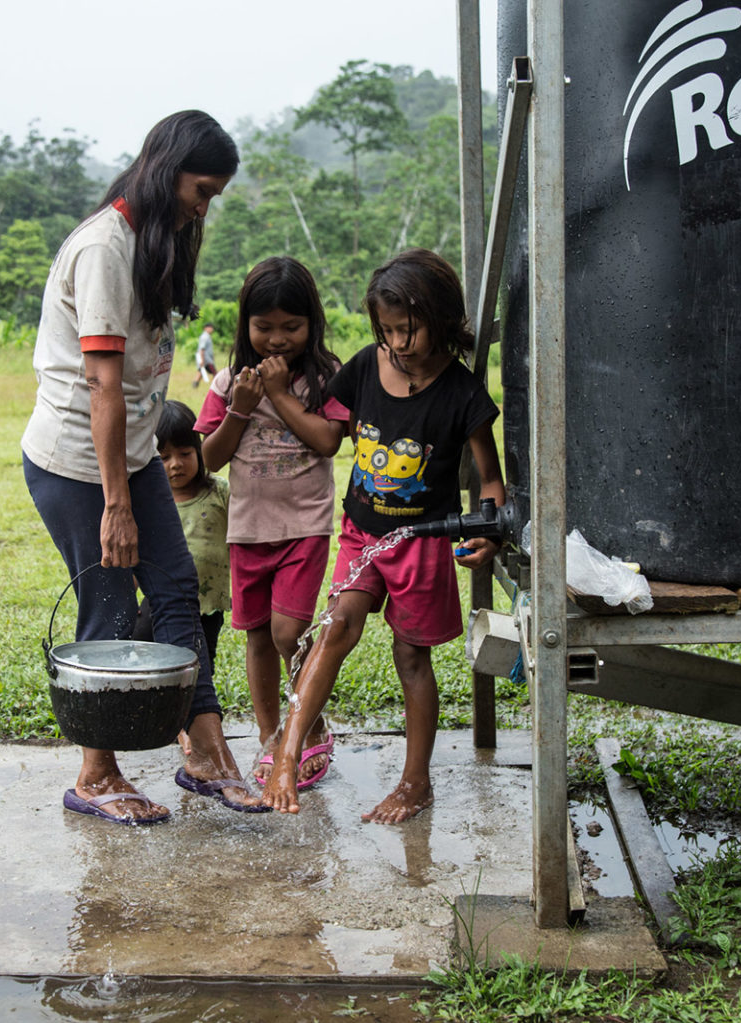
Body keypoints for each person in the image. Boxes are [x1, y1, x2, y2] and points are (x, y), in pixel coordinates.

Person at [21, 110, 266, 824]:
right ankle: (96, 775)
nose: (204, 205)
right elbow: (102, 385)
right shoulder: (104, 248)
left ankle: (207, 754)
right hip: (77, 468)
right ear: (167, 170)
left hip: (130, 459)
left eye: (214, 194)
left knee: (176, 588)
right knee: (108, 606)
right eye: (201, 189)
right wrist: (116, 504)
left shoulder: (150, 242)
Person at [261, 248, 505, 824]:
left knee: (411, 656)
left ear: (442, 318)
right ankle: (286, 757)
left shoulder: (463, 393)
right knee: (337, 627)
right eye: (387, 330)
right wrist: (276, 397)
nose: (398, 343)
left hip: (422, 539)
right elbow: (327, 437)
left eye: (409, 329)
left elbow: (490, 479)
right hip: (361, 531)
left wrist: (490, 531)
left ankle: (415, 781)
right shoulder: (368, 367)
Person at [195, 257, 348, 790]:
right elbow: (209, 459)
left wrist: (279, 395)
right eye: (264, 327)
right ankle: (271, 736)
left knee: (289, 633)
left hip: (305, 524)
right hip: (249, 528)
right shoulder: (227, 382)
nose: (277, 339)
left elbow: (328, 440)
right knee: (257, 637)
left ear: (312, 323)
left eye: (291, 326)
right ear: (245, 325)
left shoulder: (325, 378)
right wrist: (240, 406)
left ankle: (309, 721)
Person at [131, 399, 230, 671]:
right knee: (144, 655)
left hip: (207, 607)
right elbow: (136, 556)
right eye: (163, 458)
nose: (176, 464)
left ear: (199, 450)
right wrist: (129, 600)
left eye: (185, 453)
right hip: (158, 601)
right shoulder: (150, 501)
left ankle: (193, 711)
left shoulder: (220, 493)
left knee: (199, 666)